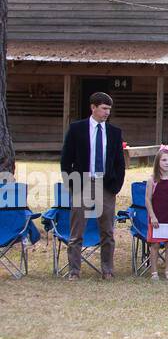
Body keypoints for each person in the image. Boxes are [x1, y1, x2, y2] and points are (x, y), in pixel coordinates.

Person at [59, 92, 126, 280]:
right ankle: (74, 270)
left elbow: (119, 163)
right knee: (77, 230)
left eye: (109, 110)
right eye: (104, 109)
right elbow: (66, 161)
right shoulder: (77, 129)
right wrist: (72, 185)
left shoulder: (114, 132)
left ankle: (107, 270)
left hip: (105, 185)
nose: (107, 113)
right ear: (93, 107)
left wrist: (116, 186)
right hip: (82, 183)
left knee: (107, 230)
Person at [145, 145, 168, 280]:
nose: (166, 163)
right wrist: (152, 216)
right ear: (158, 162)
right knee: (155, 244)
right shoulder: (152, 180)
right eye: (164, 160)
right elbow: (148, 200)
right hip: (156, 217)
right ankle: (154, 272)